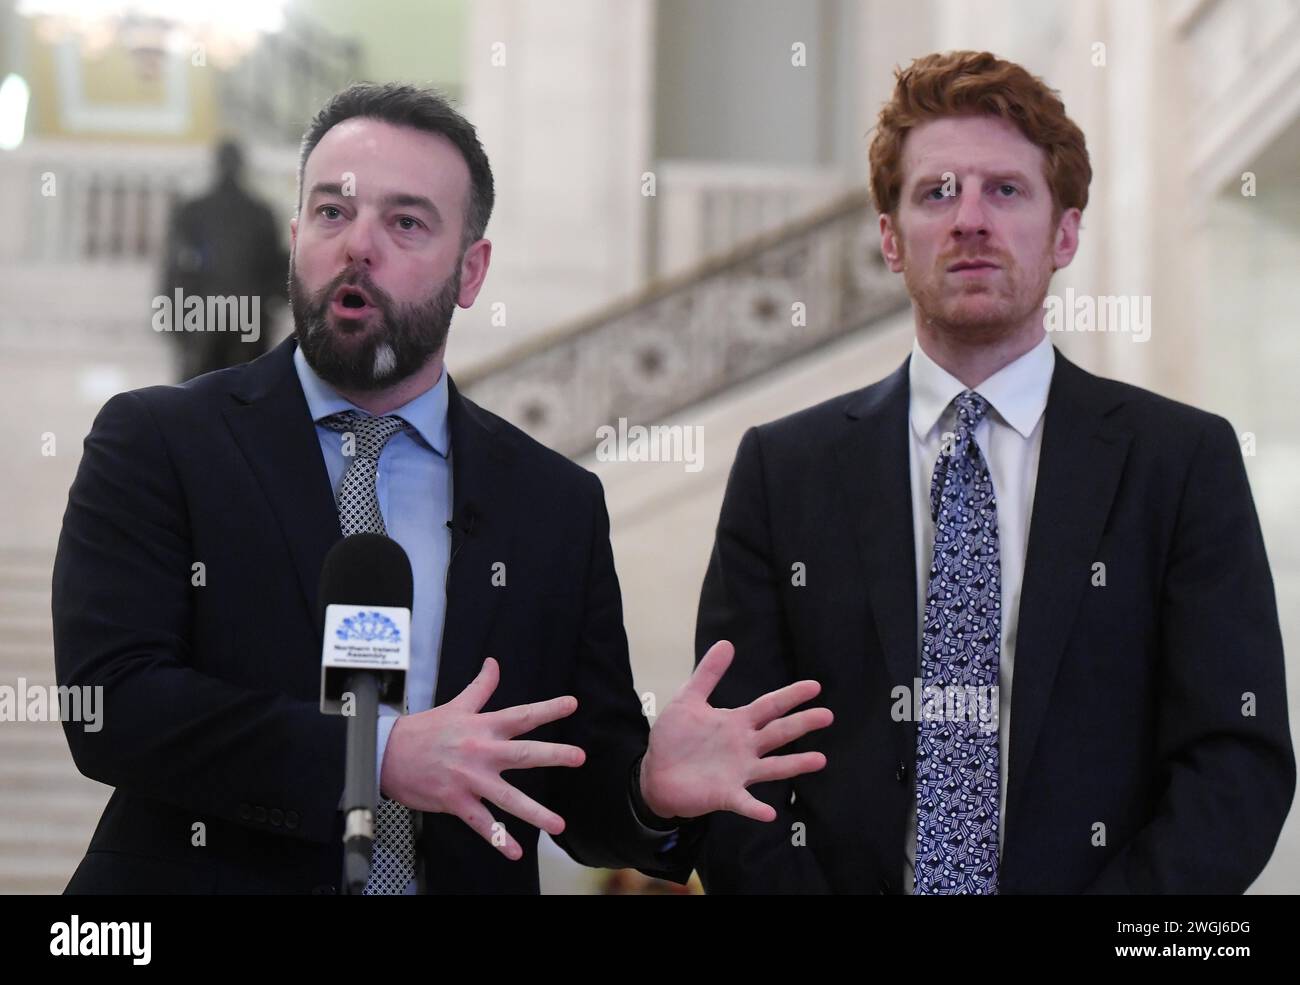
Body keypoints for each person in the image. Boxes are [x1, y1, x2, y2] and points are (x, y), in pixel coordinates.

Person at [53, 83, 831, 894]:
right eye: (331, 213)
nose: (358, 245)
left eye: (405, 222)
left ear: (471, 270)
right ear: (294, 240)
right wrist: (380, 756)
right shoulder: (160, 441)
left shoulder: (552, 503)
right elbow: (112, 704)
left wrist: (649, 794)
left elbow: (567, 778)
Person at [694, 51, 1295, 894]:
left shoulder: (1181, 462)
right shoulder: (782, 470)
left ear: (1065, 233)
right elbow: (731, 766)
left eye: (1005, 190)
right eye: (938, 191)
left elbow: (1237, 763)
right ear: (891, 239)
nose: (970, 218)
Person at [159, 139, 288, 381]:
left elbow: (175, 271)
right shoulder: (261, 213)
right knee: (244, 400)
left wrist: (175, 324)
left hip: (202, 319)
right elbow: (278, 274)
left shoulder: (193, 211)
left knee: (196, 401)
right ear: (242, 167)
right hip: (249, 322)